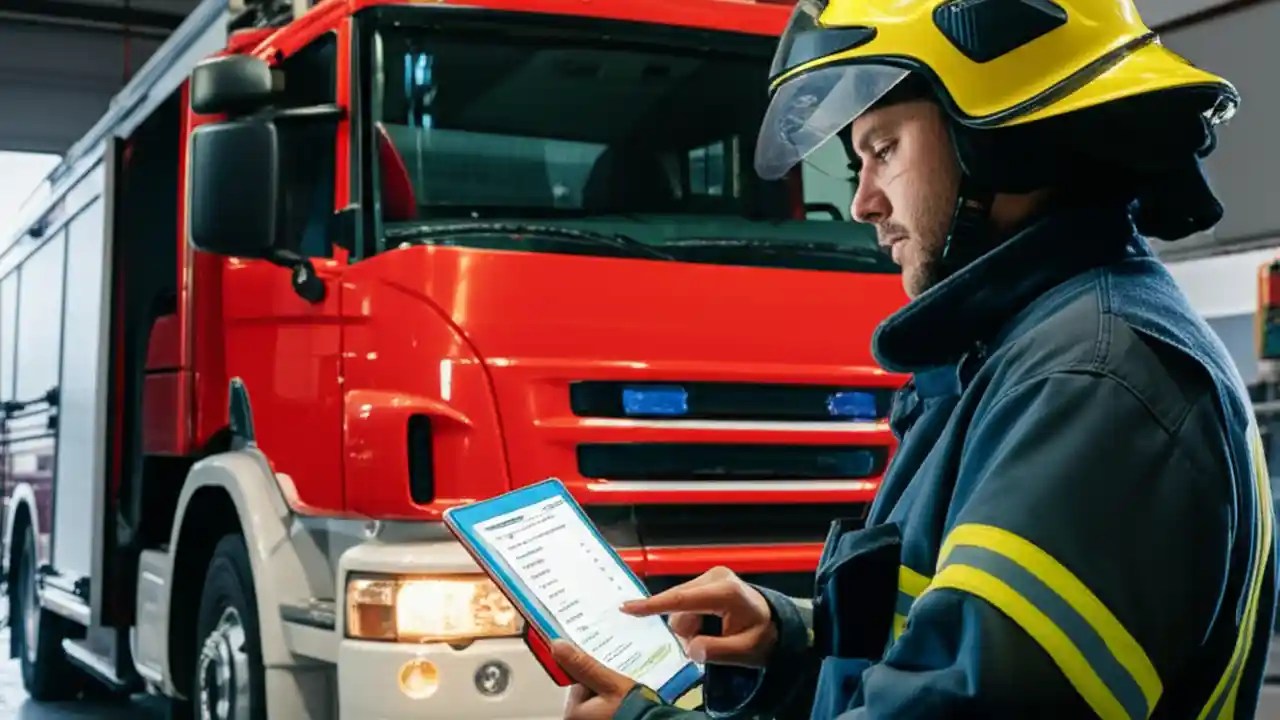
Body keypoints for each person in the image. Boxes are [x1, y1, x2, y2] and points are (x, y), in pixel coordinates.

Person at [548, 0, 1280, 718]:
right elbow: (949, 658)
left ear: (1002, 144)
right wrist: (795, 641)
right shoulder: (1020, 355)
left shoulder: (1091, 384)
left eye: (883, 149)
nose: (862, 200)